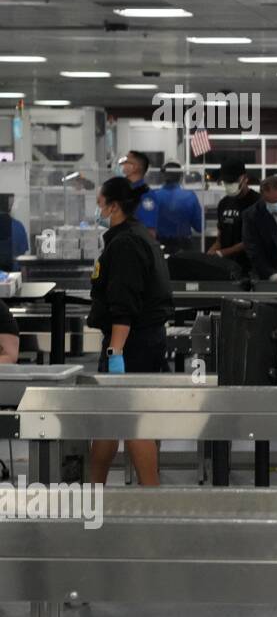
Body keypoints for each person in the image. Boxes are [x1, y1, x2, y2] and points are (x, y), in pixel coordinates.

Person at [87, 177, 174, 485]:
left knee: (134, 422)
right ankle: (93, 489)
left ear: (113, 206)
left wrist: (116, 352)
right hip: (139, 339)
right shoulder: (137, 235)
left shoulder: (125, 243)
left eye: (100, 204)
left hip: (130, 342)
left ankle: (152, 496)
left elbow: (124, 303)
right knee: (109, 420)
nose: (97, 210)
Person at [208, 159, 260, 270]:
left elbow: (253, 239)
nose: (229, 185)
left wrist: (222, 253)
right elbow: (220, 238)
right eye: (226, 182)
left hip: (251, 267)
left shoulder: (257, 203)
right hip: (227, 267)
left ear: (245, 178)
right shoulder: (224, 203)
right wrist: (211, 253)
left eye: (232, 181)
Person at [152, 161, 205, 254]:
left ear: (163, 176)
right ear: (181, 176)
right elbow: (200, 227)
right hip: (183, 248)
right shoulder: (190, 196)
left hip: (159, 247)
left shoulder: (154, 196)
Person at [119, 150, 159, 235]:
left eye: (126, 162)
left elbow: (150, 232)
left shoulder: (146, 196)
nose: (122, 164)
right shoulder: (124, 191)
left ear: (135, 167)